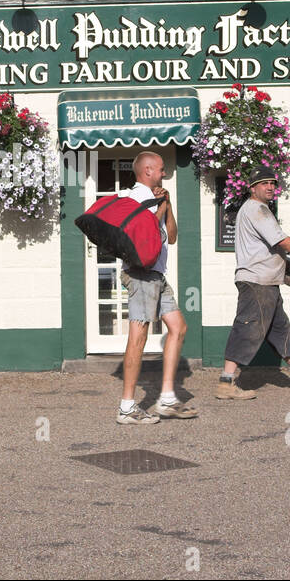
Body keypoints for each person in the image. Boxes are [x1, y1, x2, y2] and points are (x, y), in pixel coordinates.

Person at [217, 170, 290, 399]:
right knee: (246, 328)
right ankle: (225, 383)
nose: (269, 187)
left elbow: (267, 248)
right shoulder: (257, 209)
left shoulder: (258, 210)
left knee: (280, 329)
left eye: (272, 183)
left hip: (267, 282)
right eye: (264, 183)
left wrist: (286, 265)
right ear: (252, 187)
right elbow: (282, 241)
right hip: (256, 281)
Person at [116, 151, 196, 424]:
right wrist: (160, 205)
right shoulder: (134, 199)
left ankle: (166, 399)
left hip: (157, 275)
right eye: (161, 169)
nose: (164, 174)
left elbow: (171, 237)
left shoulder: (158, 197)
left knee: (178, 327)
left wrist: (168, 205)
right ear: (148, 170)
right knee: (138, 337)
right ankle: (127, 408)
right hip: (140, 275)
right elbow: (149, 232)